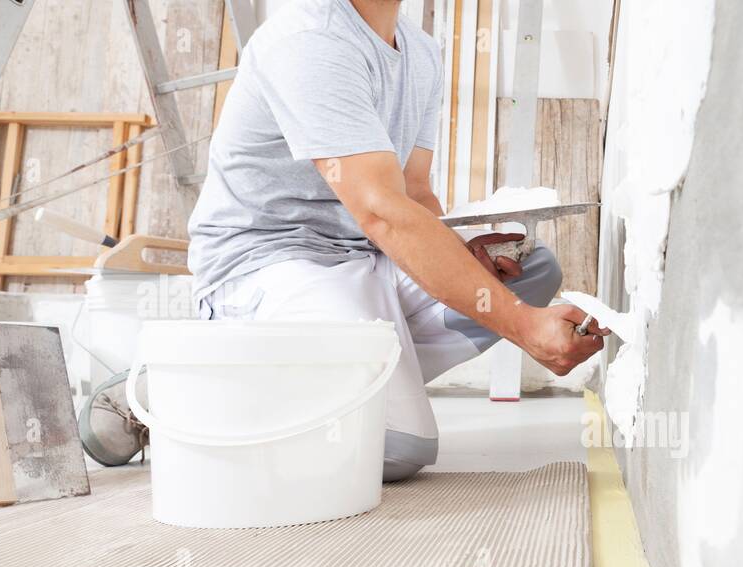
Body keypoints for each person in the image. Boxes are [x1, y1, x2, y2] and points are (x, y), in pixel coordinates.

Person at [187, 0, 607, 480]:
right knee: (392, 448)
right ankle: (204, 384)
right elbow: (381, 211)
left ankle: (345, 382)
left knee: (531, 271)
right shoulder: (310, 40)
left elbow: (414, 194)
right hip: (271, 265)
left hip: (361, 258)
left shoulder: (420, 52)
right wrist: (525, 328)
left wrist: (461, 258)